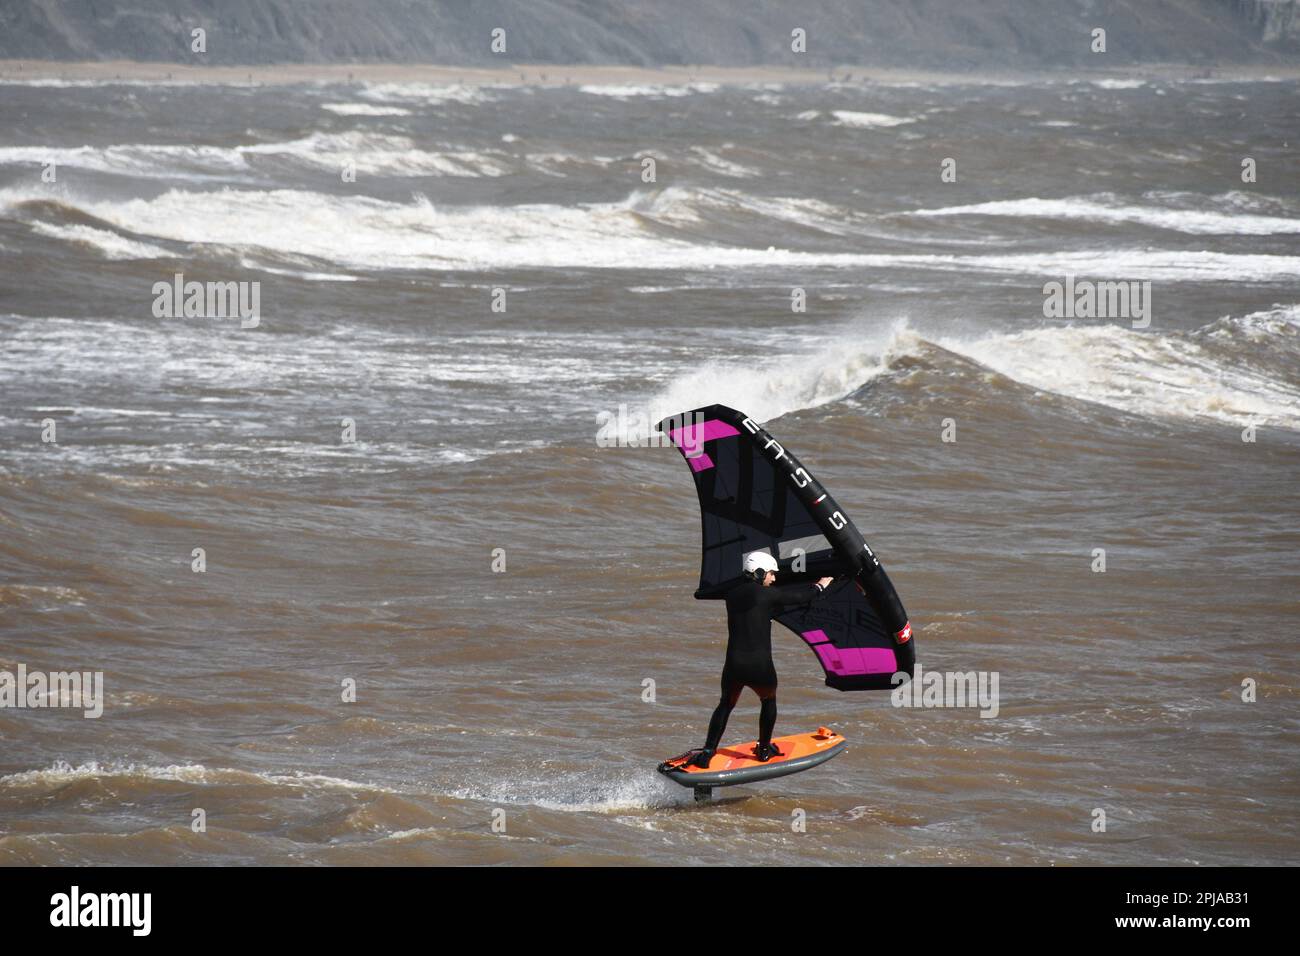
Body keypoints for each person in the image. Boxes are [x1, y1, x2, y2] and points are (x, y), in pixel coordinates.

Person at [689, 552, 833, 767]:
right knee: (768, 701)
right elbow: (800, 598)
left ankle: (707, 752)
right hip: (760, 667)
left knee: (725, 705)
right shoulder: (768, 595)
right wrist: (821, 585)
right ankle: (764, 750)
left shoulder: (732, 593)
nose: (774, 579)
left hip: (733, 666)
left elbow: (710, 591)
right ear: (758, 573)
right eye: (771, 574)